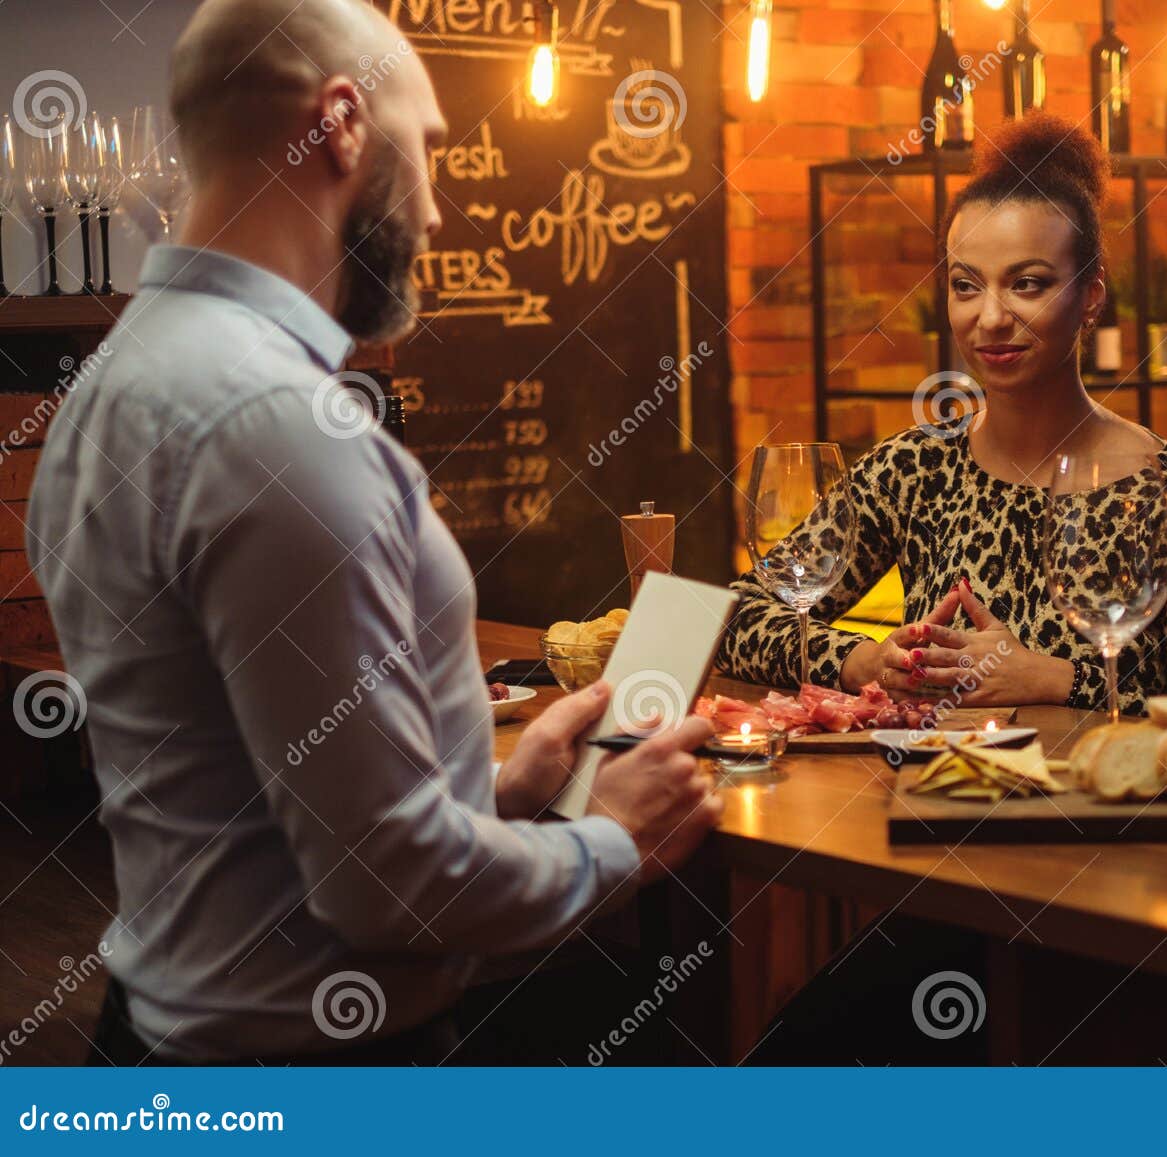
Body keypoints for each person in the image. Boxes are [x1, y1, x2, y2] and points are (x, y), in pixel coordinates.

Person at [25, 0, 720, 1065]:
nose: (437, 210)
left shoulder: (107, 387)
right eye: (427, 149)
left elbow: (257, 789)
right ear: (342, 123)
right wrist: (612, 838)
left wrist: (494, 792)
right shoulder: (275, 425)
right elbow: (387, 887)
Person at [718, 112, 1167, 711]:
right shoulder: (917, 467)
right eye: (966, 285)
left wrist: (1055, 680)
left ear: (1092, 295)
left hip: (1106, 802)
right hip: (935, 797)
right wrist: (864, 661)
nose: (992, 317)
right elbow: (734, 614)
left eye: (1028, 284)